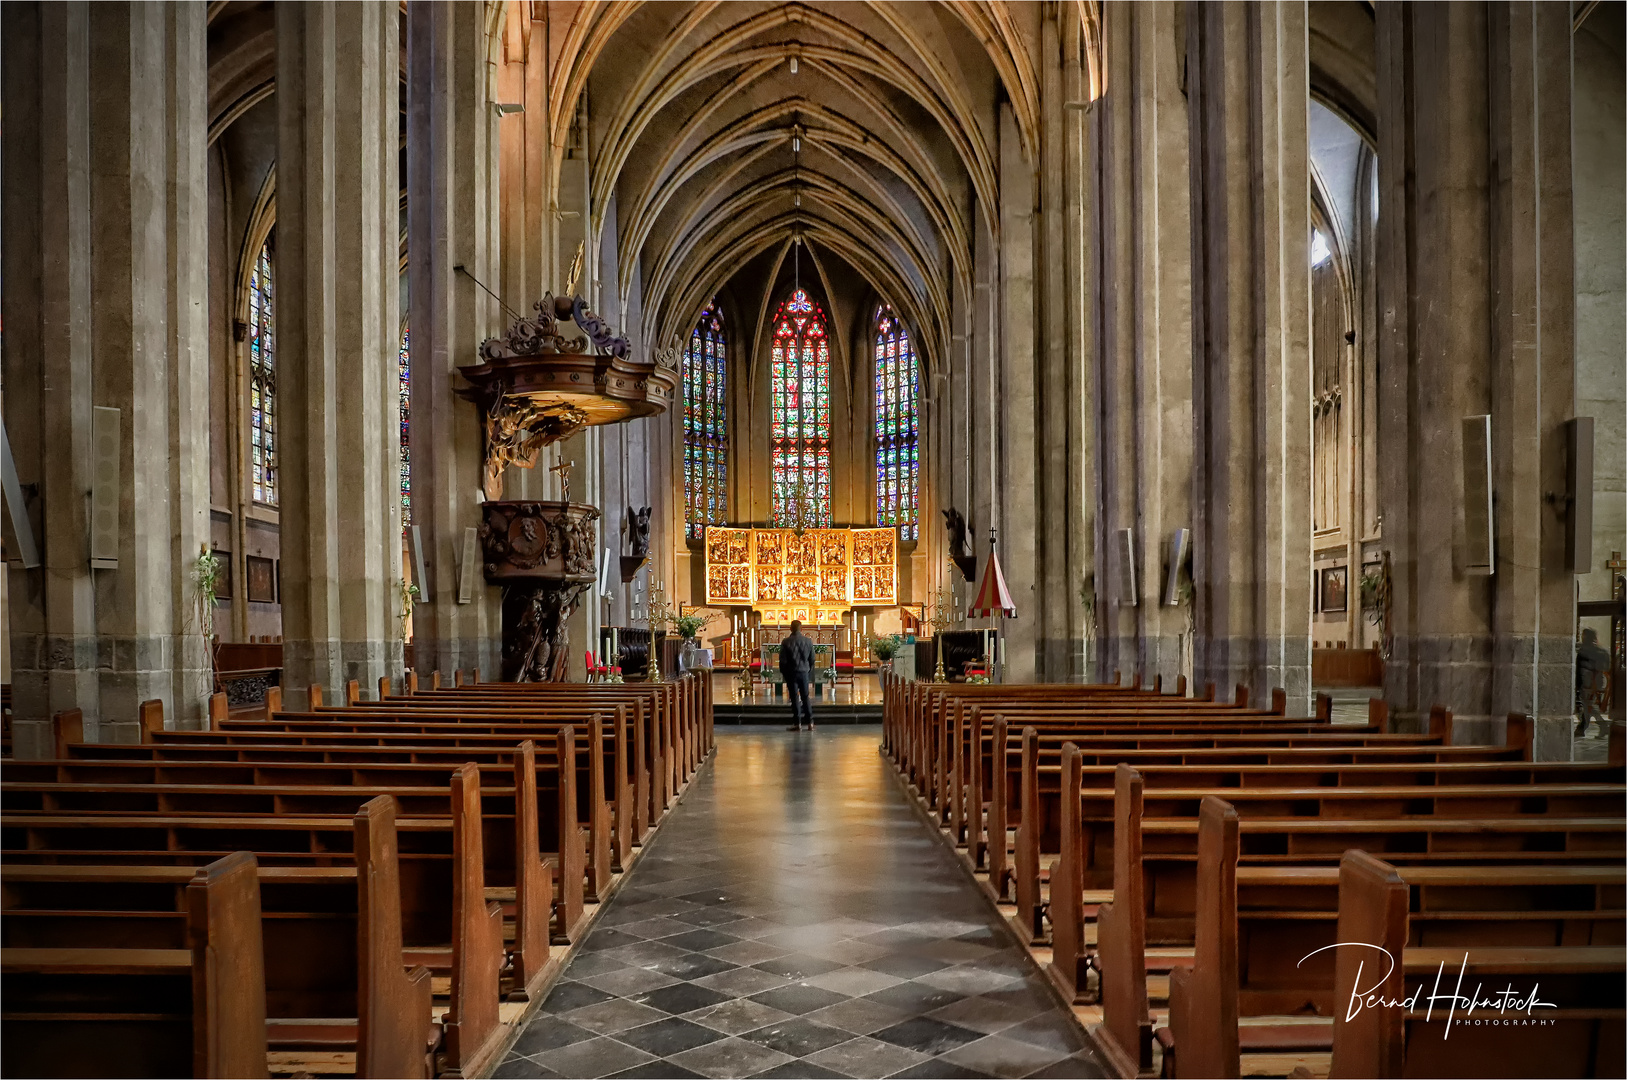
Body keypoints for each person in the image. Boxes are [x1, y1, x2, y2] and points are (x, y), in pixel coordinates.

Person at [779, 620, 816, 731]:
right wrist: (807, 669)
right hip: (803, 672)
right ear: (801, 629)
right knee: (805, 697)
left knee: (794, 698)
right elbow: (812, 659)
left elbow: (783, 661)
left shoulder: (786, 642)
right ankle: (810, 723)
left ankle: (797, 723)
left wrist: (784, 673)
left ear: (790, 628)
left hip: (791, 672)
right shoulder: (808, 641)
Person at [1574, 627, 1611, 738]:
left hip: (1589, 683)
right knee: (1588, 706)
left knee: (1589, 706)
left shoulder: (1587, 651)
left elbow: (1597, 670)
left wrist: (1592, 684)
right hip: (1590, 683)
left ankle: (1600, 726)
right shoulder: (1598, 651)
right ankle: (1583, 728)